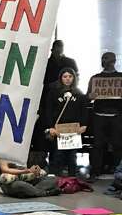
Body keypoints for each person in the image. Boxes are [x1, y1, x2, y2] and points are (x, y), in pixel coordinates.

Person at [43, 68, 89, 176]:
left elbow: (84, 111)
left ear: (74, 78)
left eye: (70, 76)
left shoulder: (79, 94)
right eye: (65, 76)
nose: (67, 79)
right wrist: (50, 127)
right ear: (61, 78)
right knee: (57, 155)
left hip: (73, 130)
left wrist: (84, 125)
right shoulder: (53, 93)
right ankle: (55, 179)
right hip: (58, 130)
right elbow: (48, 111)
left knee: (72, 156)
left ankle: (72, 178)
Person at [85, 51, 122, 179]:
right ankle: (95, 171)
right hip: (99, 116)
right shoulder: (95, 78)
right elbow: (87, 97)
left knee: (118, 145)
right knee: (98, 145)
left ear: (114, 61)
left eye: (108, 59)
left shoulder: (120, 77)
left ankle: (118, 172)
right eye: (104, 58)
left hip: (116, 116)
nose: (105, 61)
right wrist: (91, 96)